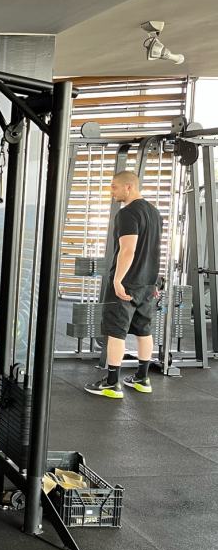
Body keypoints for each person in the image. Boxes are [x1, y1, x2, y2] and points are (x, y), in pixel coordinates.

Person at [85, 171, 162, 399]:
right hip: (148, 284)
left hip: (127, 283)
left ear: (128, 187)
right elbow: (155, 249)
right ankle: (142, 378)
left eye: (114, 187)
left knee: (116, 333)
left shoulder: (127, 213)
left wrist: (117, 280)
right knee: (144, 331)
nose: (112, 191)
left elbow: (128, 250)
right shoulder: (155, 213)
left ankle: (111, 384)